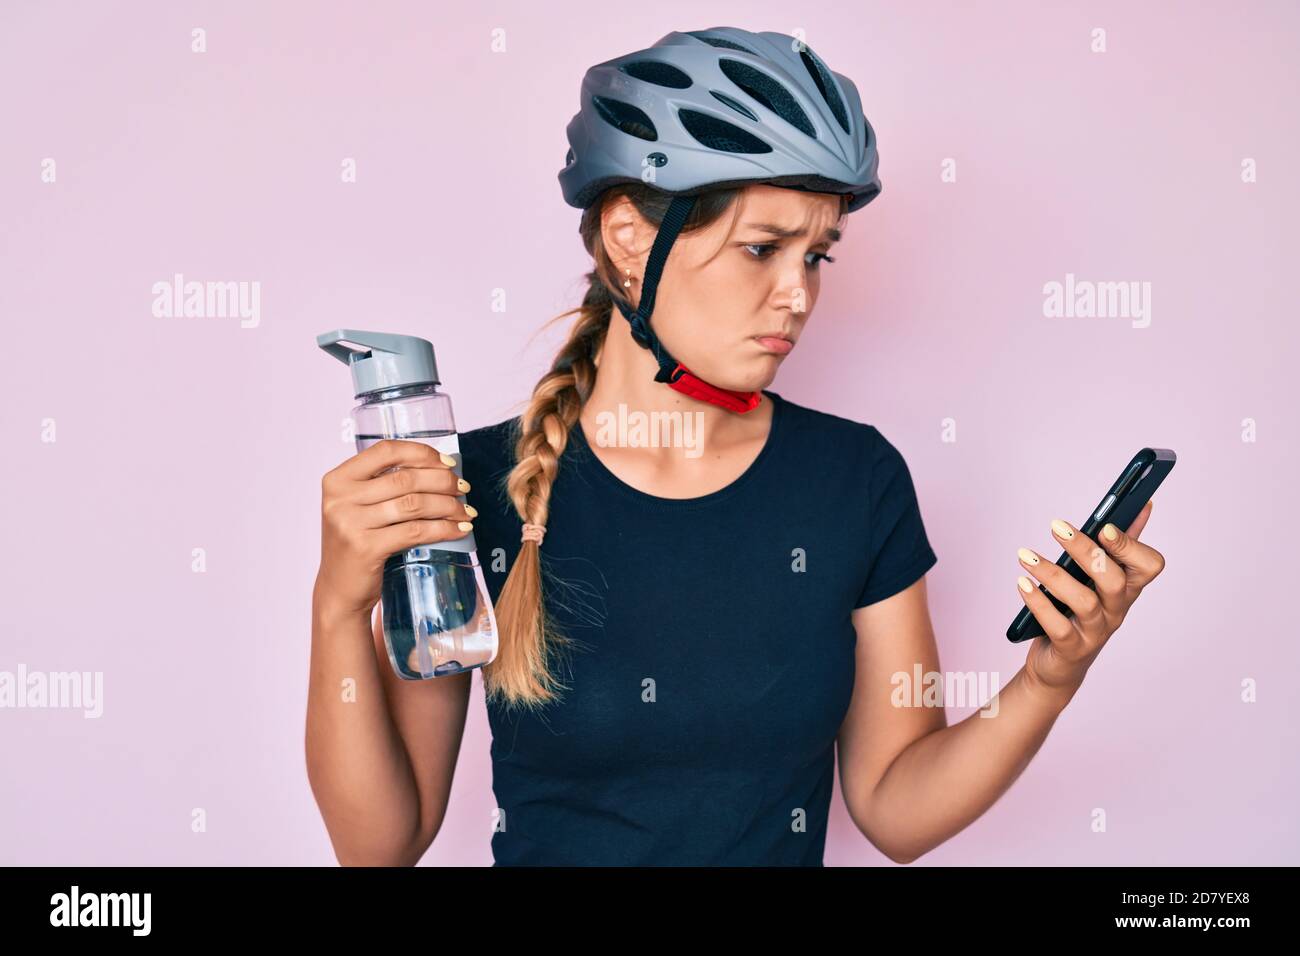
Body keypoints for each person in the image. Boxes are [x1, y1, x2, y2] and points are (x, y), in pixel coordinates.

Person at [305, 26, 1167, 867]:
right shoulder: (475, 487)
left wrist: (1050, 678)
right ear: (630, 238)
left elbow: (898, 812)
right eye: (762, 249)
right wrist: (339, 605)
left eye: (817, 256)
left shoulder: (853, 481)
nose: (796, 294)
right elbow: (379, 844)